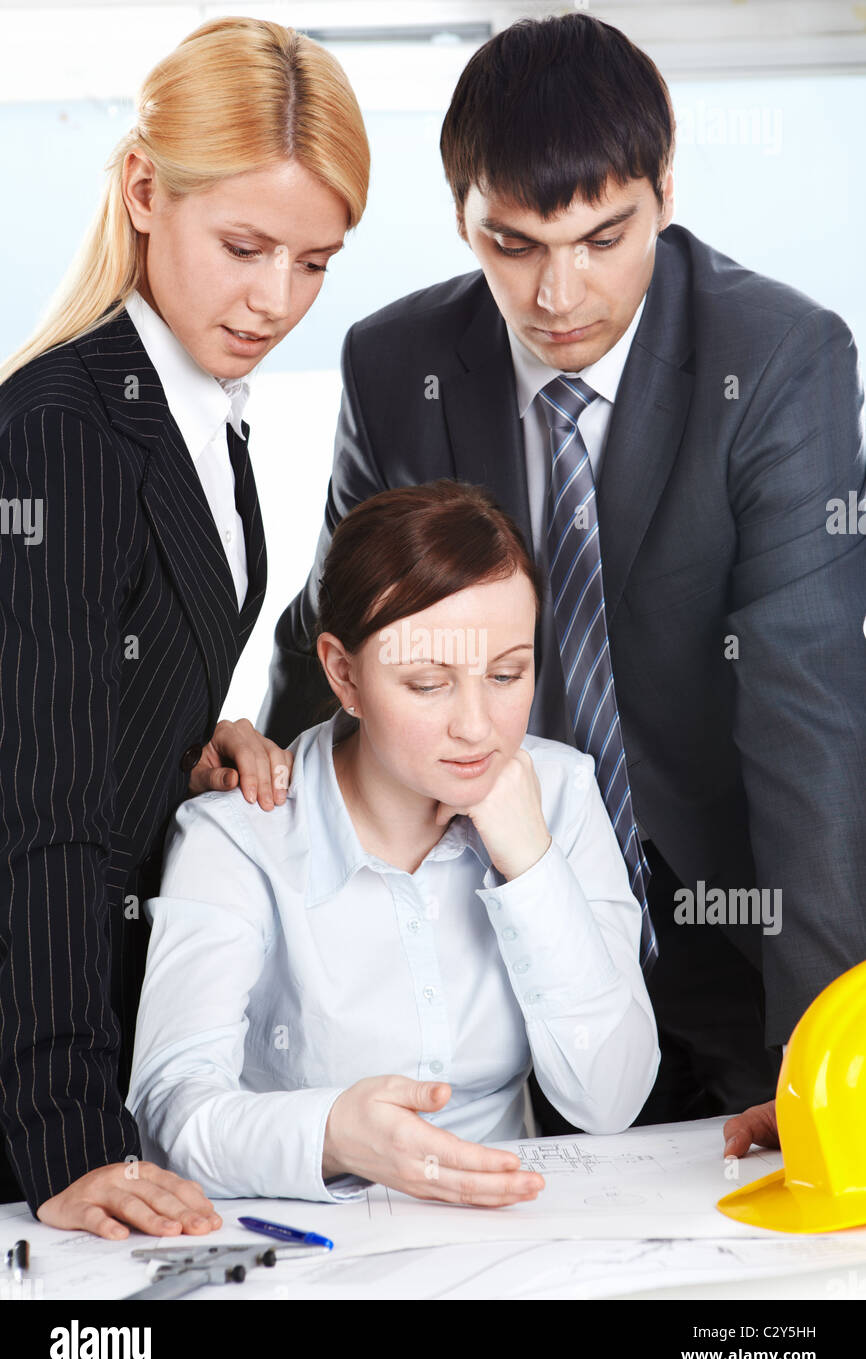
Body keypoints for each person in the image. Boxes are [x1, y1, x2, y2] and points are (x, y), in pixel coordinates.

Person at [257, 11, 866, 1148]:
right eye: (515, 245)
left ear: (664, 191)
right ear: (460, 221)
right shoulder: (397, 366)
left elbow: (809, 714)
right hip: (477, 916)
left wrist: (830, 1048)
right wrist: (252, 781)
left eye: (601, 237)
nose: (557, 294)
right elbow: (335, 630)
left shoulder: (779, 359)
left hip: (731, 926)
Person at [0, 15, 369, 1236]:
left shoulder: (198, 401)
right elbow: (38, 804)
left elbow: (90, 670)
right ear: (146, 191)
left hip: (111, 994)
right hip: (38, 1055)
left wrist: (181, 734)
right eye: (246, 246)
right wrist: (65, 1133)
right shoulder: (64, 425)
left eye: (314, 262)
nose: (276, 299)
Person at [126, 481, 660, 1205]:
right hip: (307, 1243)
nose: (477, 726)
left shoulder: (559, 792)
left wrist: (531, 862)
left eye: (507, 673)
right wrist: (335, 1136)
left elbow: (612, 1098)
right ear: (344, 673)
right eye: (427, 684)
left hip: (513, 1236)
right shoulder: (240, 836)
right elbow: (171, 1114)